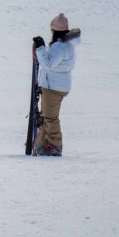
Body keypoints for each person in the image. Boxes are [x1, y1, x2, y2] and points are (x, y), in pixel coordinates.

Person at [33, 13, 81, 156]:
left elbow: (48, 64)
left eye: (52, 29)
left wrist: (40, 49)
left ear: (56, 30)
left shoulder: (60, 47)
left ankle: (54, 146)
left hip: (54, 87)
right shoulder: (65, 45)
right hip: (55, 85)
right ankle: (42, 144)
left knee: (50, 118)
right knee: (45, 116)